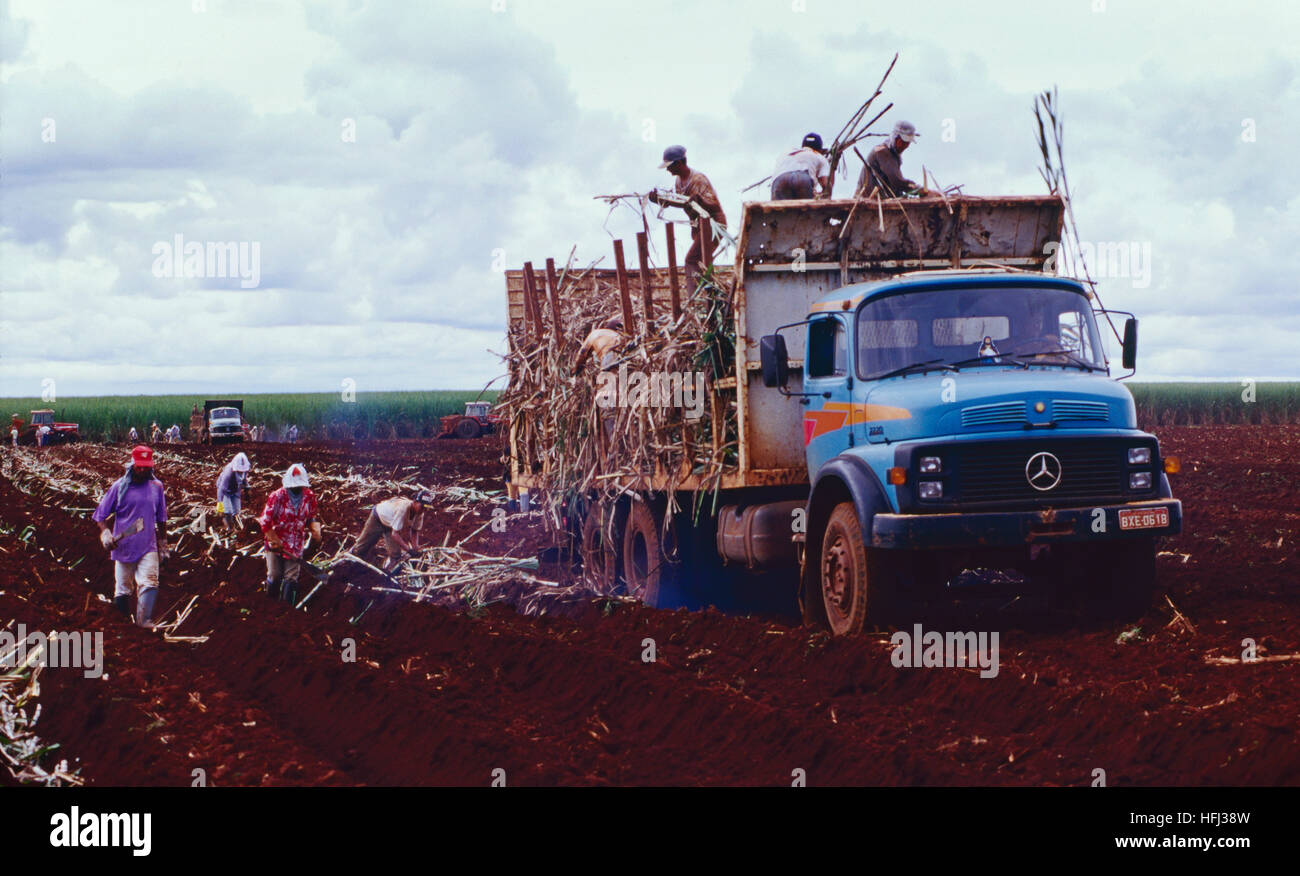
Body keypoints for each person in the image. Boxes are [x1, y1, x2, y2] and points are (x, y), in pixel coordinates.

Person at [92, 445, 169, 628]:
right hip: (124, 547)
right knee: (123, 588)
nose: (142, 470)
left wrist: (163, 544)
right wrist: (105, 532)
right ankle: (124, 627)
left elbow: (162, 518)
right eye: (139, 466)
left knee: (150, 582)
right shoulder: (119, 487)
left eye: (146, 466)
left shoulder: (156, 487)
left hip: (148, 545)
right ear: (132, 464)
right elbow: (100, 515)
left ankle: (144, 623)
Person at [648, 145, 727, 292]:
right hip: (700, 227)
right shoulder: (679, 181)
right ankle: (710, 297)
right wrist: (660, 201)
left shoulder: (698, 180)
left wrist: (700, 201)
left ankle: (696, 300)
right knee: (702, 261)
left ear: (679, 163)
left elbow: (714, 205)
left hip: (713, 224)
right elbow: (681, 202)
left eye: (669, 166)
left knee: (692, 260)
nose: (667, 170)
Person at [258, 463, 321, 604]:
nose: (297, 488)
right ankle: (269, 605)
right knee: (275, 576)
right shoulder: (277, 497)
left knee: (291, 579)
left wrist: (316, 531)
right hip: (276, 544)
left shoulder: (309, 496)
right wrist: (274, 539)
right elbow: (264, 522)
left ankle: (287, 611)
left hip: (296, 545)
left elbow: (311, 517)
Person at [353, 491, 431, 573]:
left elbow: (414, 531)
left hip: (390, 525)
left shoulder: (420, 513)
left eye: (426, 507)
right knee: (362, 547)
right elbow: (395, 534)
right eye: (422, 507)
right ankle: (350, 562)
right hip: (378, 518)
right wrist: (408, 550)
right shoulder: (403, 508)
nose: (424, 509)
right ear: (415, 502)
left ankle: (387, 575)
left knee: (396, 554)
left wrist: (415, 548)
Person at [857, 120, 932, 199]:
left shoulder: (894, 156)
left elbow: (895, 185)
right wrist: (918, 190)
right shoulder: (882, 152)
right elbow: (896, 181)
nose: (905, 146)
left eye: (908, 143)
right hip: (869, 199)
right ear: (895, 137)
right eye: (902, 142)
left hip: (882, 197)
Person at [771, 133, 830, 200]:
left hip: (779, 179)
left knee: (780, 209)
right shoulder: (820, 157)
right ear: (820, 150)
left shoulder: (787, 153)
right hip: (803, 179)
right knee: (806, 209)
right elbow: (826, 185)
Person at [216, 452, 251, 532]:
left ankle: (236, 527)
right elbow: (221, 489)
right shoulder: (228, 473)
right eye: (239, 471)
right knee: (228, 511)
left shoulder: (245, 470)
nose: (241, 473)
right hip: (225, 491)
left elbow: (244, 480)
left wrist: (247, 490)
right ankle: (229, 528)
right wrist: (220, 505)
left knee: (236, 511)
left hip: (235, 489)